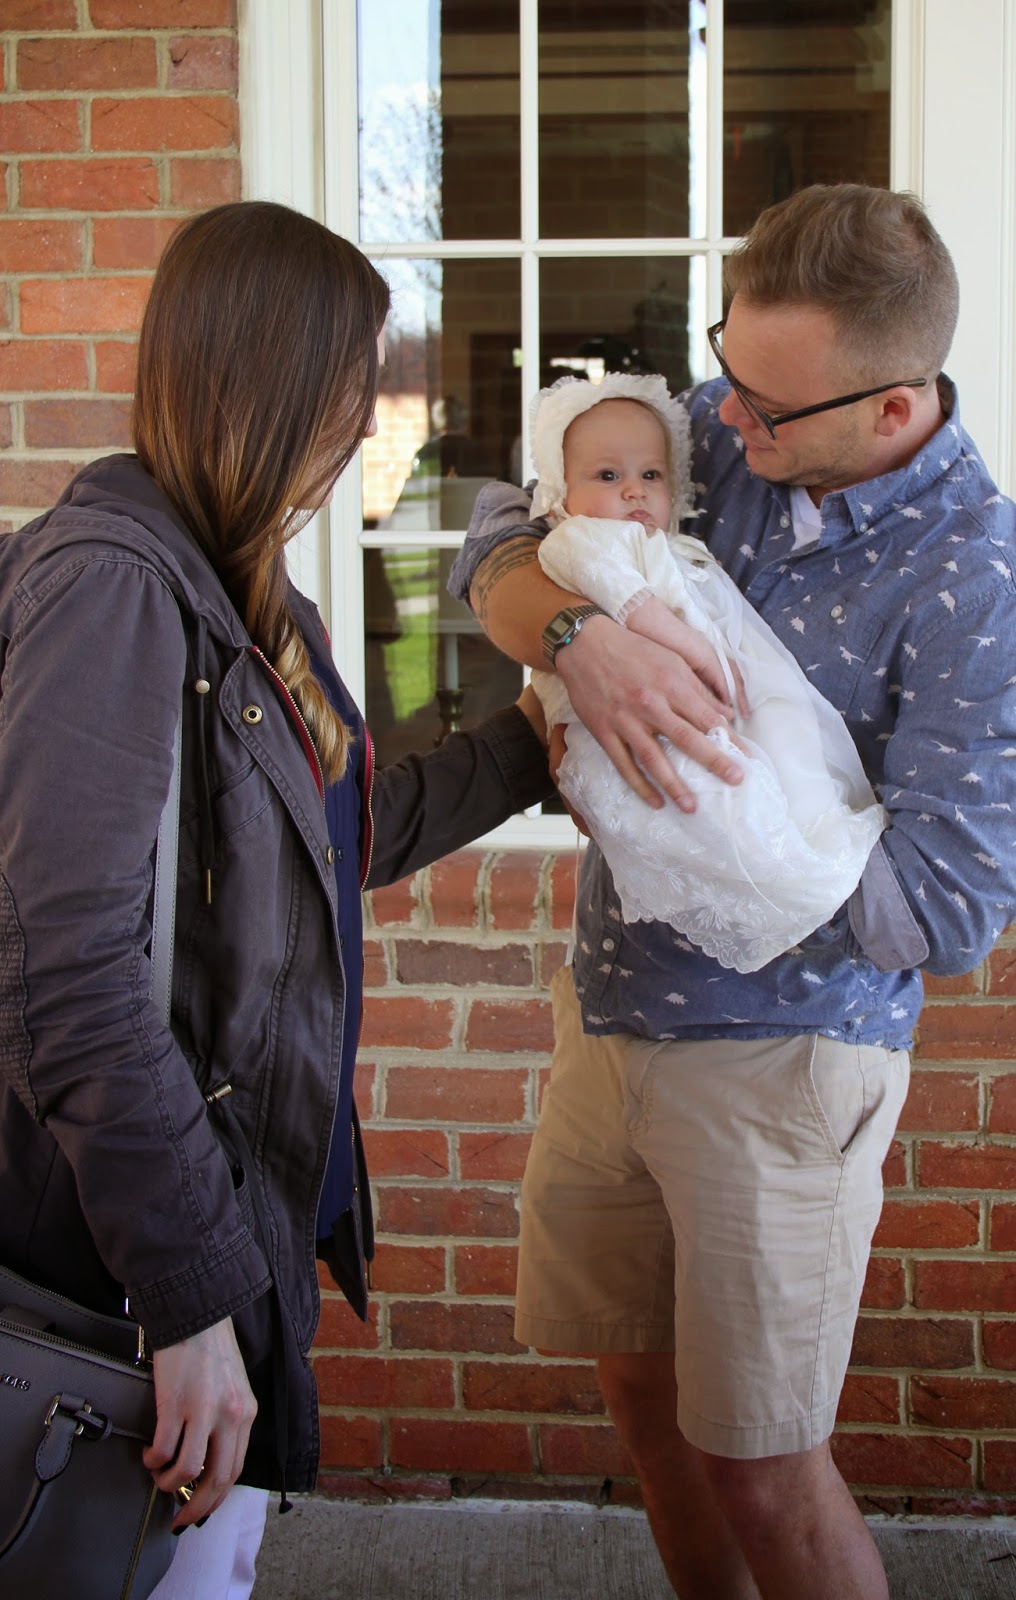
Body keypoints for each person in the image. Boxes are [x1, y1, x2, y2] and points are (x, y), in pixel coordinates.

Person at [448, 184, 1016, 1600]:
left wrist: (726, 827)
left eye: (767, 414)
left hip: (784, 1070)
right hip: (613, 1025)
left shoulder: (980, 584)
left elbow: (945, 913)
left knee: (765, 1468)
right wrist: (584, 639)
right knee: (646, 1418)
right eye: (726, 374)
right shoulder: (735, 417)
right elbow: (492, 539)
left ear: (893, 409)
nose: (723, 430)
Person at [0, 201, 551, 1600]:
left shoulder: (247, 590)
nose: (368, 420)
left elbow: (328, 843)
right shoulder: (114, 589)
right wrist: (189, 1301)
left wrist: (544, 742)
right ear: (282, 380)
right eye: (356, 382)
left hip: (223, 1229)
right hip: (118, 1277)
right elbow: (69, 976)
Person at [527, 370, 885, 972]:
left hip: (707, 690)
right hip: (637, 706)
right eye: (608, 476)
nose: (634, 492)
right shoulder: (579, 540)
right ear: (563, 493)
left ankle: (805, 829)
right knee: (703, 785)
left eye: (651, 475)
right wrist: (693, 646)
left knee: (786, 724)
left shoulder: (675, 547)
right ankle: (759, 868)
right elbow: (631, 605)